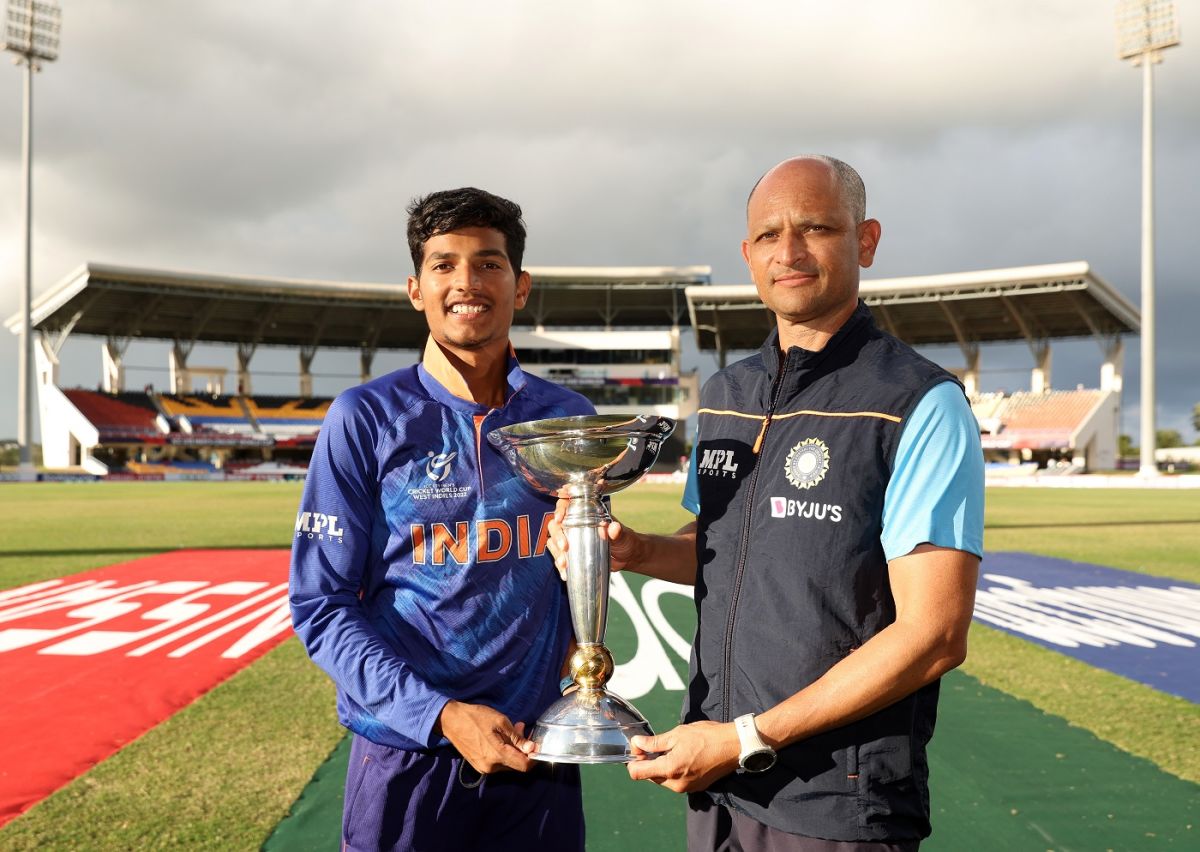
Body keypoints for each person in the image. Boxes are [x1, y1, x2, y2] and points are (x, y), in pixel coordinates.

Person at [549, 156, 984, 850]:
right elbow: (722, 548)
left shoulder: (918, 402)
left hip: (833, 800)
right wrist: (634, 550)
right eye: (768, 235)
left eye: (816, 228)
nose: (789, 251)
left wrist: (745, 737)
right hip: (717, 782)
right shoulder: (727, 394)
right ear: (748, 254)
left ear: (866, 240)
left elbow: (934, 635)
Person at [290, 187, 592, 851]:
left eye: (489, 264)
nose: (467, 282)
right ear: (415, 289)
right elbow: (321, 607)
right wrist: (442, 715)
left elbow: (580, 565)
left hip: (536, 752)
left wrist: (583, 647)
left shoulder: (566, 418)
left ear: (521, 286)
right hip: (406, 755)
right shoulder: (365, 418)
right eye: (444, 264)